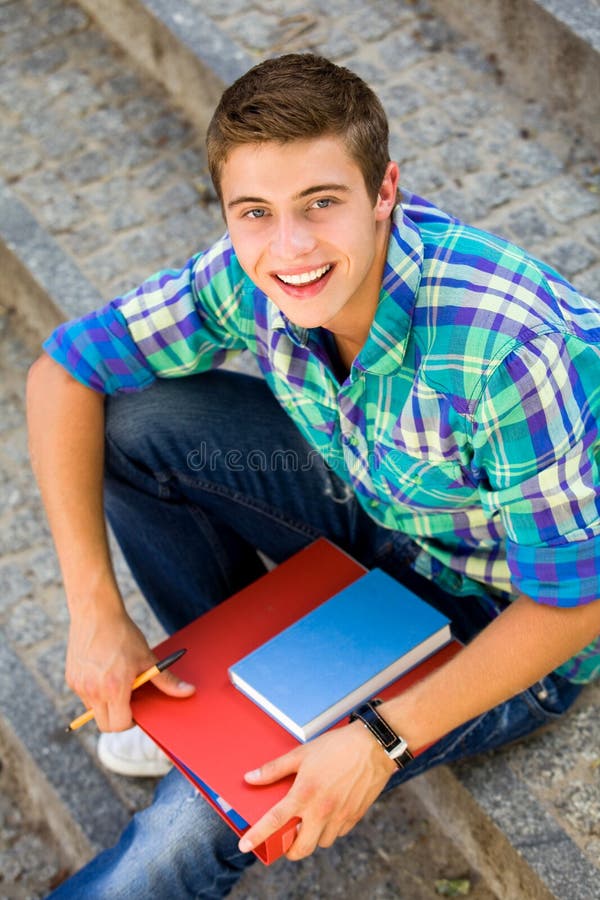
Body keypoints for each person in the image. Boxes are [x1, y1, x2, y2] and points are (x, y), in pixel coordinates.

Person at [27, 53, 600, 899]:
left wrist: (381, 740)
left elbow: (576, 601)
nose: (289, 249)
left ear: (384, 191)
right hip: (385, 515)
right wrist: (94, 611)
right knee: (136, 417)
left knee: (174, 839)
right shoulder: (251, 266)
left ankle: (241, 748)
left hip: (501, 610)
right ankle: (223, 701)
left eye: (321, 204)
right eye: (255, 212)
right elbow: (64, 371)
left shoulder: (510, 347)